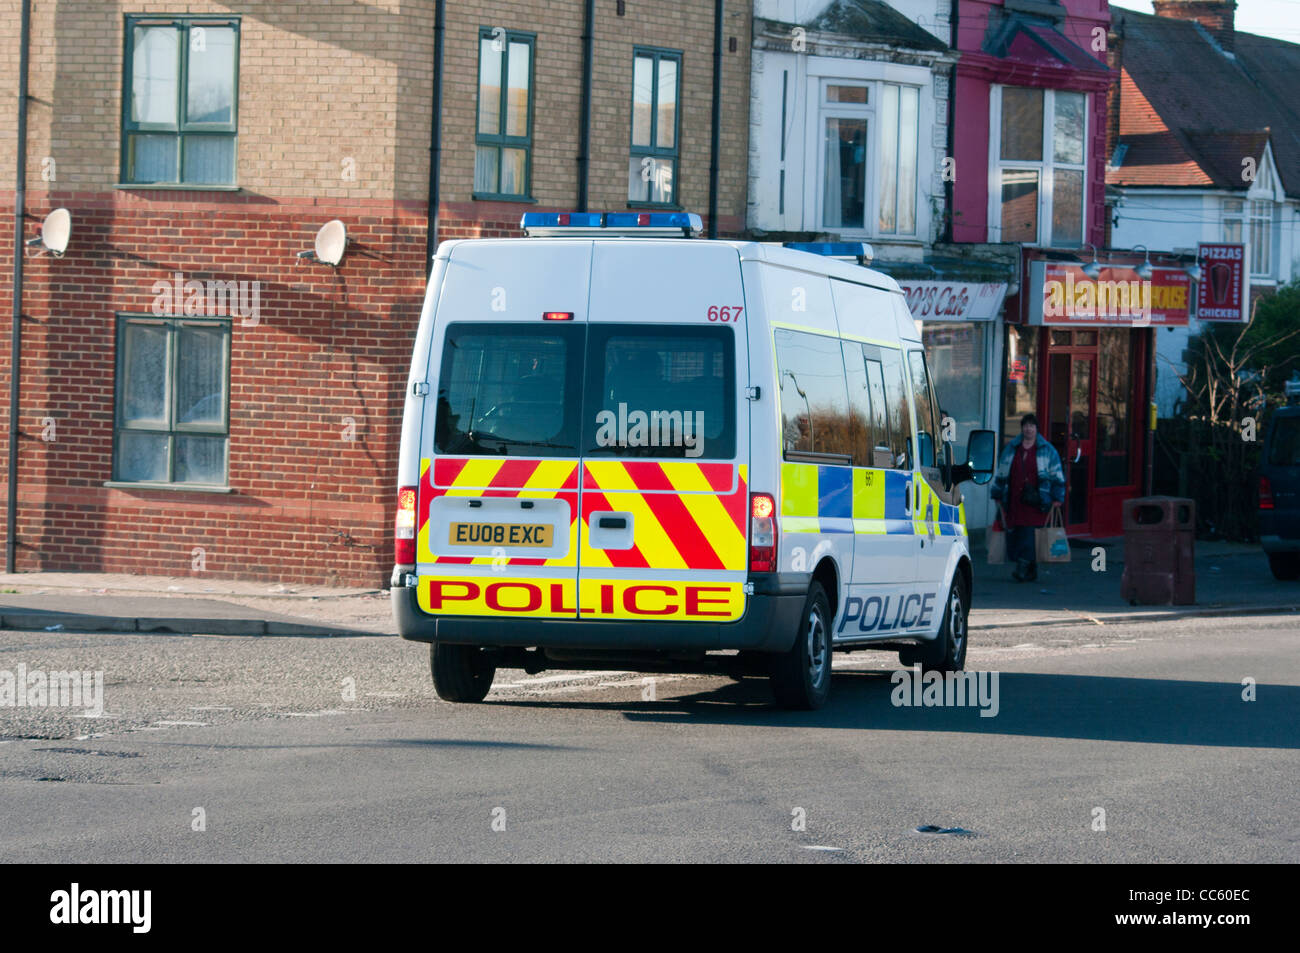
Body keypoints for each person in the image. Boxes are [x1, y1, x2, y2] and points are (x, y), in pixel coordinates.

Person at [990, 413, 1066, 582]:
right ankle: (1031, 570)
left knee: (1029, 534)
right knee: (1017, 532)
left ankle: (1022, 569)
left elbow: (1057, 474)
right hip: (1015, 499)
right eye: (1026, 426)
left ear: (1037, 429)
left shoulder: (1047, 450)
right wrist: (997, 493)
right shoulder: (1012, 448)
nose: (1028, 429)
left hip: (1038, 501)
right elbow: (1002, 472)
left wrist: (1058, 496)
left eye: (1032, 426)